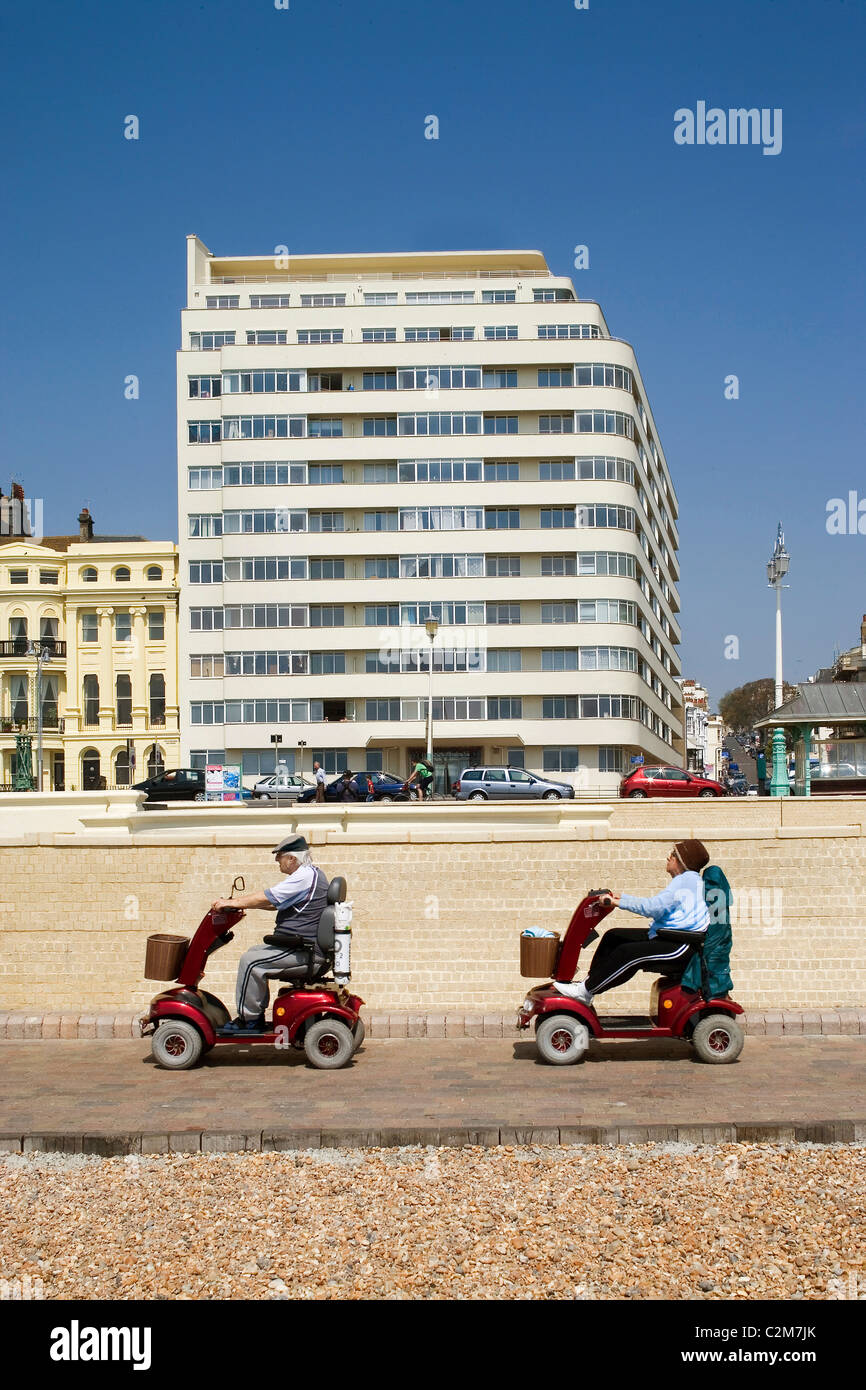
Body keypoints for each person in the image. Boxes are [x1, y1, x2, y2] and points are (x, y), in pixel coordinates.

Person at [554, 839, 710, 1006]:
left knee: (628, 953)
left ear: (681, 861)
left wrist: (618, 902)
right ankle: (589, 985)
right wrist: (622, 898)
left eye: (672, 854)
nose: (668, 857)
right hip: (671, 937)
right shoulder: (688, 880)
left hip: (681, 945)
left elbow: (653, 908)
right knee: (614, 936)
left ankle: (585, 991)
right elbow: (657, 904)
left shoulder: (685, 880)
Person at [211, 835, 330, 1033]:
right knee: (254, 952)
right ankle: (254, 1013)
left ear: (292, 858)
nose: (277, 860)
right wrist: (242, 905)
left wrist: (230, 903)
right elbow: (275, 903)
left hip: (303, 949)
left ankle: (249, 1019)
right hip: (301, 945)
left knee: (250, 961)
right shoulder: (312, 874)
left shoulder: (303, 877)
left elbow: (267, 896)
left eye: (280, 856)